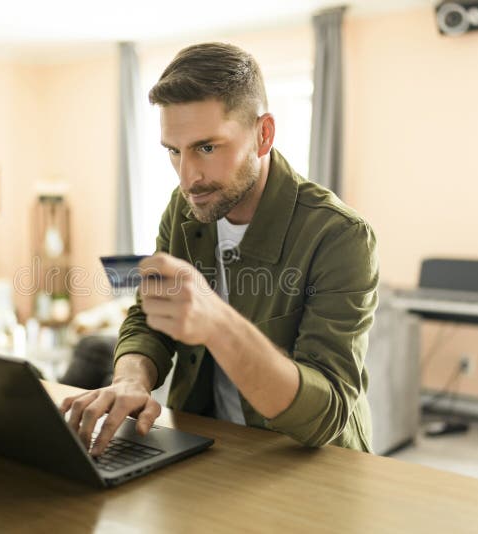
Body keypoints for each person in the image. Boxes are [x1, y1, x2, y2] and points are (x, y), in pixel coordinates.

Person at [60, 42, 379, 456]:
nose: (188, 178)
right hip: (210, 449)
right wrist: (130, 379)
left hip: (310, 465)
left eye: (207, 148)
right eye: (174, 151)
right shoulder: (183, 208)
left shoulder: (341, 236)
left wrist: (217, 323)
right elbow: (147, 316)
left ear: (263, 135)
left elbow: (327, 414)